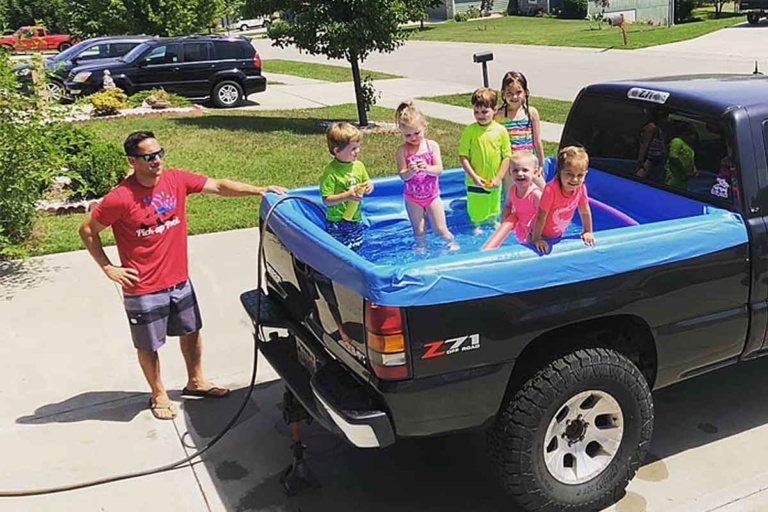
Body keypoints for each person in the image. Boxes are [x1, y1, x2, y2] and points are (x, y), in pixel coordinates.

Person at [79, 131, 287, 420]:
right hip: (143, 287)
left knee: (191, 332)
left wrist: (260, 190)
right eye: (149, 156)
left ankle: (196, 381)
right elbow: (88, 230)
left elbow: (217, 185)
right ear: (133, 161)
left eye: (160, 153)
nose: (157, 160)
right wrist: (107, 267)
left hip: (179, 280)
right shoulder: (121, 198)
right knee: (148, 344)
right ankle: (158, 393)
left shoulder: (175, 179)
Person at [394, 101, 456, 250]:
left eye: (417, 133)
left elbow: (439, 169)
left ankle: (452, 244)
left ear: (424, 127)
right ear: (402, 133)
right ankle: (421, 250)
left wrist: (427, 168)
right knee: (419, 231)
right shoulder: (402, 150)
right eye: (408, 135)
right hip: (412, 198)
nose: (413, 138)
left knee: (440, 229)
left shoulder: (432, 146)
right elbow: (402, 175)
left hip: (432, 196)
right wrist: (410, 171)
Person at [459, 87, 512, 235]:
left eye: (484, 112)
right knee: (475, 206)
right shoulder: (470, 131)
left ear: (494, 110)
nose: (480, 116)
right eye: (476, 112)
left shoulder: (501, 131)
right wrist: (474, 177)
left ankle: (492, 220)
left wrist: (499, 177)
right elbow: (463, 157)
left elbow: (506, 157)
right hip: (474, 180)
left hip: (494, 179)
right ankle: (475, 225)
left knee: (493, 204)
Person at [320, 122, 374, 252]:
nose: (357, 151)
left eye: (358, 147)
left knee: (357, 247)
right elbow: (327, 200)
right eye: (353, 149)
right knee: (339, 251)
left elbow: (367, 182)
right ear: (337, 151)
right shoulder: (331, 172)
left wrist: (369, 186)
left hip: (355, 218)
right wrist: (347, 195)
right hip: (336, 221)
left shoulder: (358, 166)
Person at [532, 146, 594, 254]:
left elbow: (584, 210)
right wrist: (536, 239)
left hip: (557, 234)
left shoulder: (580, 188)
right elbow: (541, 215)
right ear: (559, 171)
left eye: (580, 175)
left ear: (586, 174)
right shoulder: (550, 190)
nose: (575, 179)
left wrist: (587, 231)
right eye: (569, 174)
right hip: (541, 234)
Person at [495, 71, 546, 200]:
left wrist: (541, 163)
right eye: (509, 93)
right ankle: (508, 219)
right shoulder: (500, 115)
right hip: (510, 165)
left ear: (525, 92)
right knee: (510, 197)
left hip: (529, 162)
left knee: (544, 192)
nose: (514, 97)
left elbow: (537, 141)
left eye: (518, 92)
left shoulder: (531, 113)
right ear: (503, 94)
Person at [502, 152, 543, 244]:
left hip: (537, 231)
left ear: (535, 172)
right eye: (515, 170)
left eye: (525, 170)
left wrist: (534, 234)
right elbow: (508, 205)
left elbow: (543, 216)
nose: (520, 173)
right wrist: (505, 221)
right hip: (522, 227)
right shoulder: (513, 190)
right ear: (510, 172)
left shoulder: (535, 194)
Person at [635, 108, 668, 181]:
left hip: (655, 158)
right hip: (649, 157)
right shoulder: (651, 127)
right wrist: (640, 160)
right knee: (640, 177)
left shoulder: (657, 127)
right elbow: (645, 144)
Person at [665, 123, 698, 189]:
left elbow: (690, 159)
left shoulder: (689, 146)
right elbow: (673, 157)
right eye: (692, 134)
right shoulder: (677, 141)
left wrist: (694, 169)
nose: (694, 137)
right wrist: (684, 171)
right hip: (674, 177)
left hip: (684, 180)